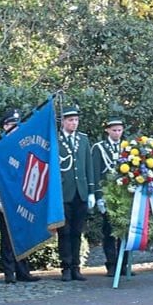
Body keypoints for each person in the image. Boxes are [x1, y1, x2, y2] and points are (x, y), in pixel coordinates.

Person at [0, 108, 40, 284]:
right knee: (7, 236)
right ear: (4, 127)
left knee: (24, 234)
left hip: (23, 196)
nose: (13, 129)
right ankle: (9, 272)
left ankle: (23, 271)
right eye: (10, 125)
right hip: (5, 197)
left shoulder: (25, 145)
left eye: (17, 125)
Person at [57, 105, 97, 282]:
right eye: (70, 120)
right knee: (64, 232)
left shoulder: (83, 139)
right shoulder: (56, 140)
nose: (74, 123)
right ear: (63, 121)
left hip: (80, 192)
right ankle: (65, 267)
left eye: (76, 120)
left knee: (77, 232)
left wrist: (91, 191)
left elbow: (88, 165)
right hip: (64, 192)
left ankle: (76, 266)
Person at [92, 117, 125, 274]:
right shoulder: (99, 148)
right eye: (114, 130)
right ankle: (111, 264)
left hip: (124, 195)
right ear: (107, 130)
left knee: (124, 231)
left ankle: (123, 264)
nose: (117, 133)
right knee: (110, 231)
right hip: (107, 194)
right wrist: (99, 197)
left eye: (119, 130)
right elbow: (96, 173)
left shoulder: (127, 147)